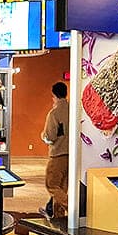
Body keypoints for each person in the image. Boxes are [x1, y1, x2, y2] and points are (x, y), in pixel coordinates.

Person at [40, 81, 69, 219]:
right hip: (72, 155)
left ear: (54, 95)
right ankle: (58, 217)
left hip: (58, 154)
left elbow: (50, 136)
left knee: (51, 185)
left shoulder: (54, 113)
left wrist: (43, 137)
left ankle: (72, 207)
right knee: (62, 187)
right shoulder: (74, 110)